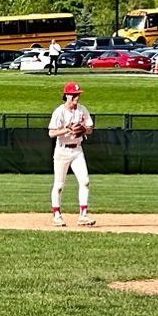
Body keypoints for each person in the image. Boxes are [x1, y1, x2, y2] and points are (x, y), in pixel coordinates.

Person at [47, 82, 96, 226]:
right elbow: (51, 133)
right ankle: (56, 215)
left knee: (85, 181)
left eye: (78, 94)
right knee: (59, 185)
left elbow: (90, 128)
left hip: (77, 150)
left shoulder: (82, 110)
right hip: (62, 150)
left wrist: (84, 130)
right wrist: (66, 130)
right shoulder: (59, 112)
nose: (77, 97)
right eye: (74, 95)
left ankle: (83, 215)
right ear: (67, 95)